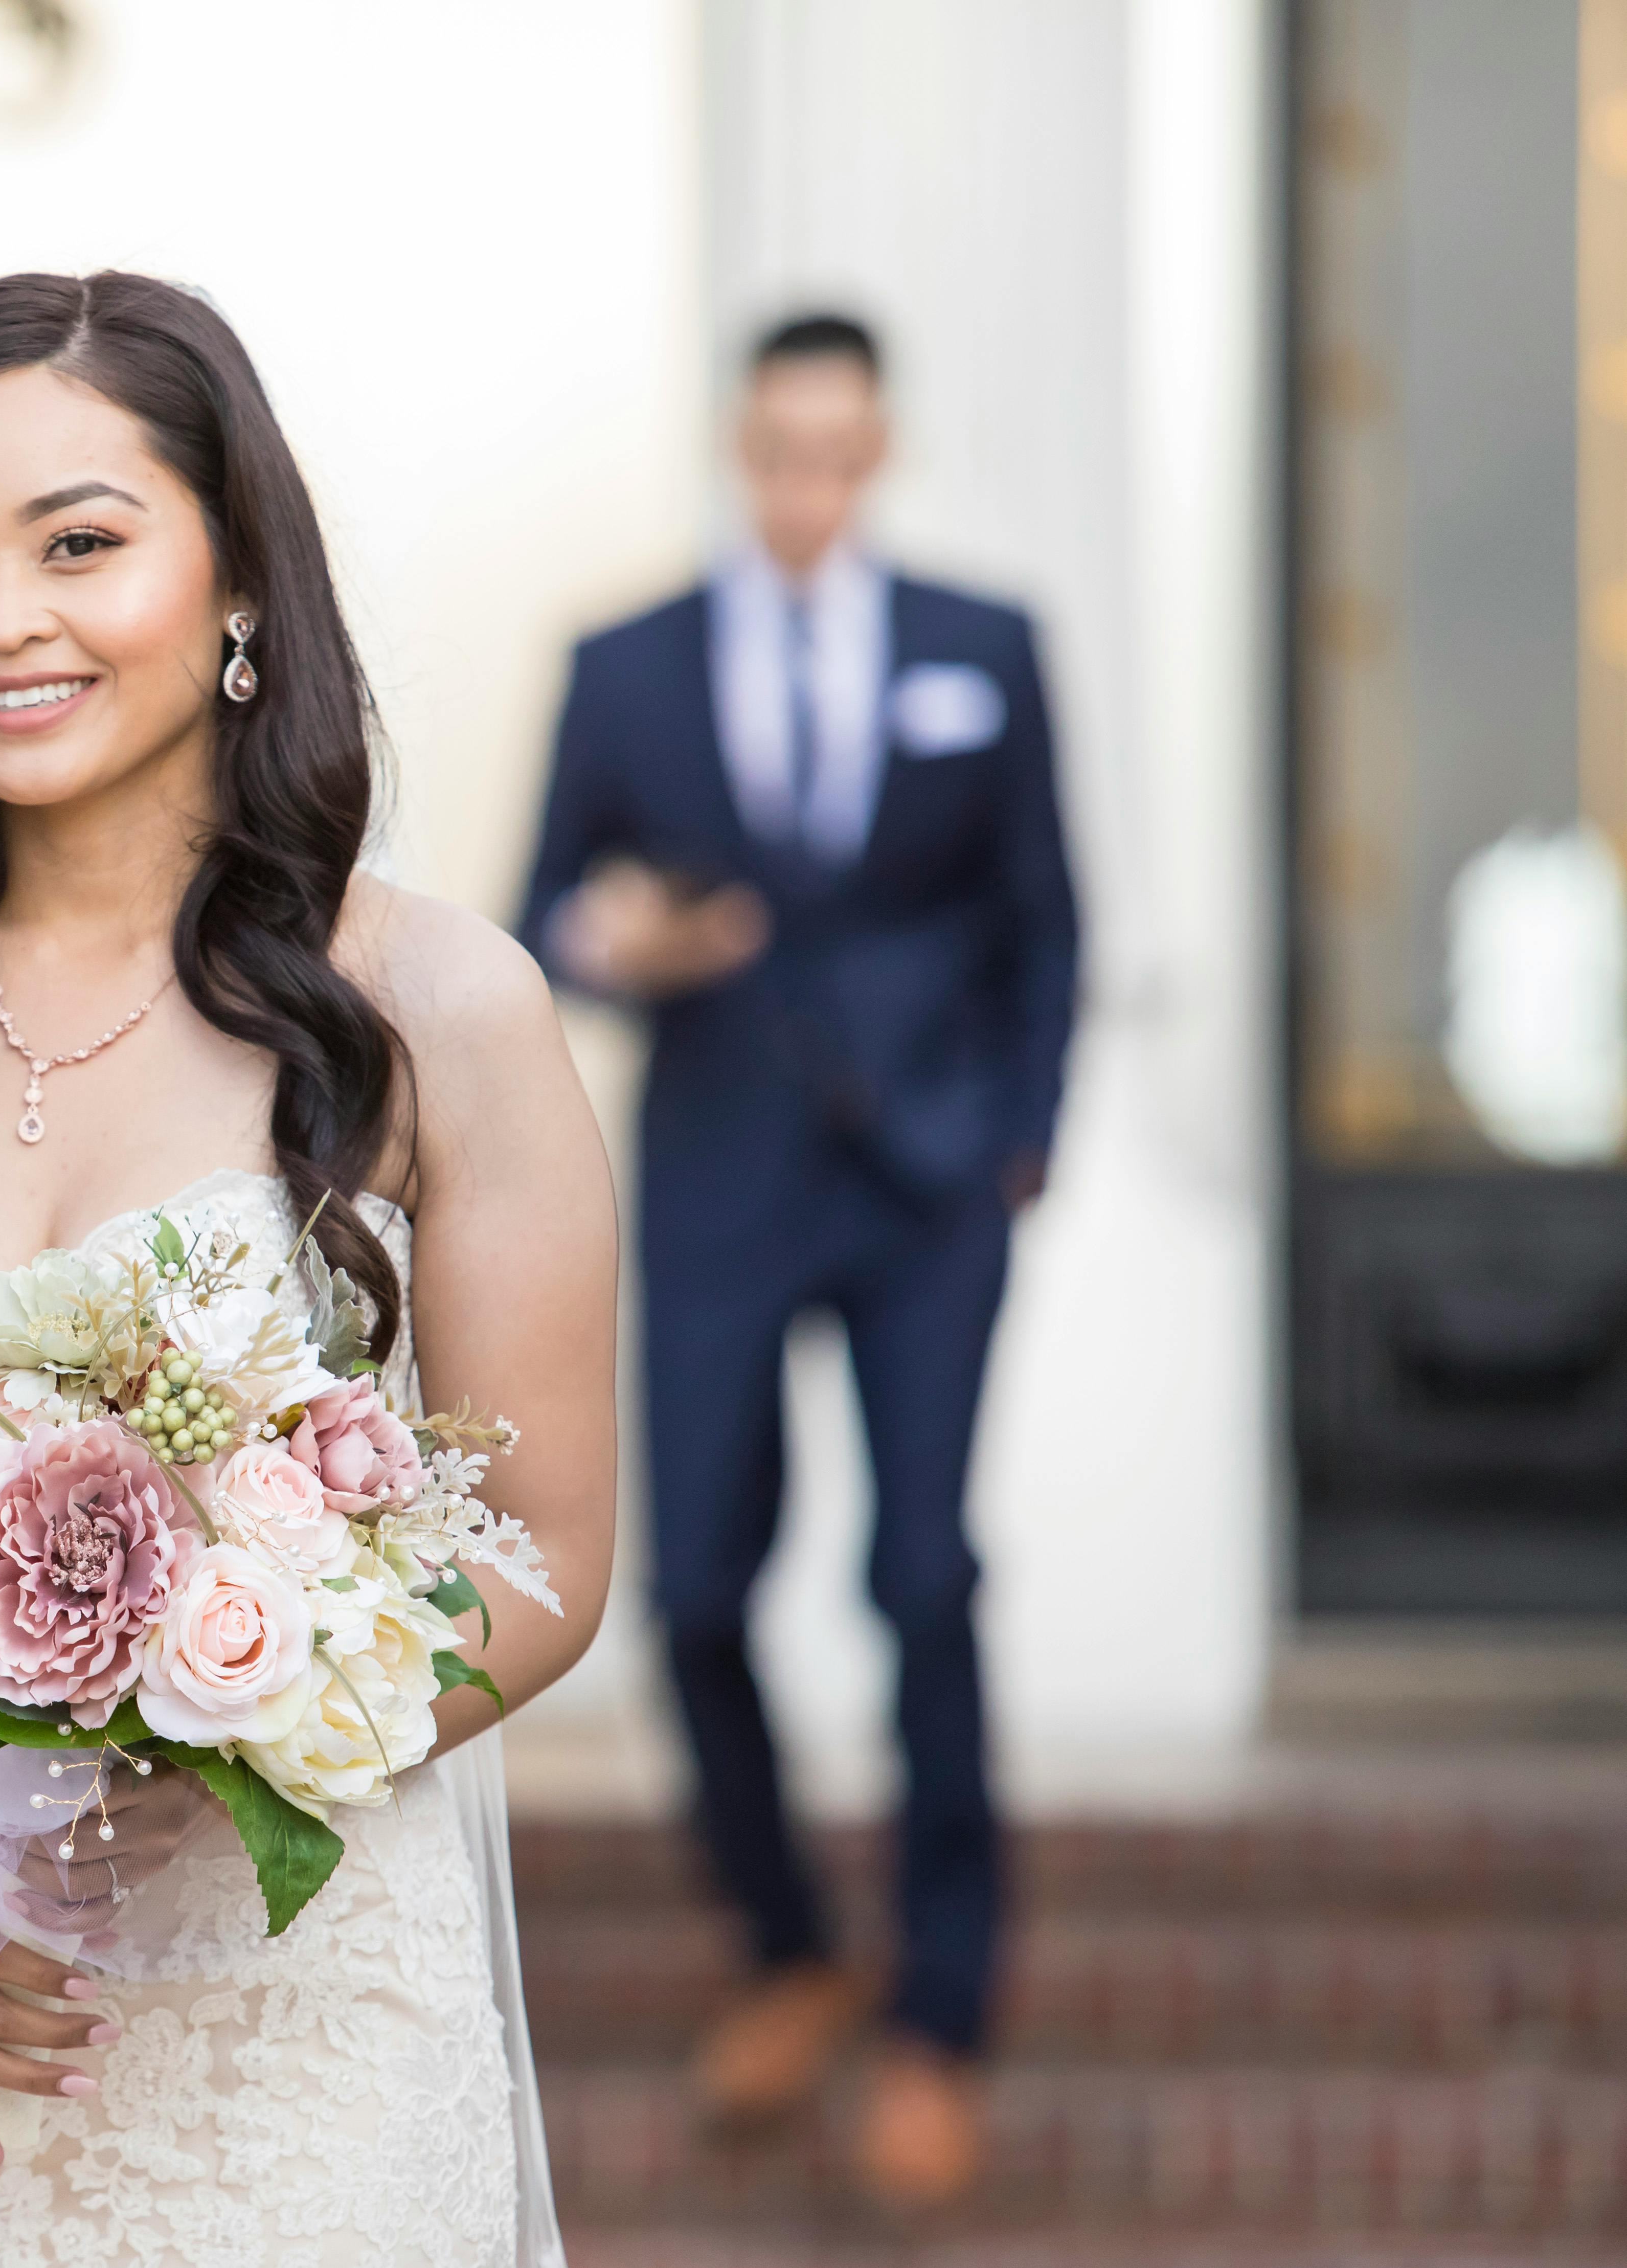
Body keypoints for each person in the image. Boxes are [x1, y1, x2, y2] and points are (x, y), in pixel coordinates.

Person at [0, 271, 617, 2268]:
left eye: (81, 542)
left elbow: (549, 1549)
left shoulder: (439, 1005)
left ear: (235, 576)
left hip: (283, 2039)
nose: (3, 623)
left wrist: (252, 1701)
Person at [521, 313, 1077, 2203]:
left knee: (924, 1577)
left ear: (881, 447)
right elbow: (543, 910)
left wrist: (1023, 1139)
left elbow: (1044, 911)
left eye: (841, 452)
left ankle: (939, 2010)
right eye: (780, 450)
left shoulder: (985, 648)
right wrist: (622, 945)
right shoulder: (628, 665)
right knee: (690, 1598)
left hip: (931, 1188)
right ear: (740, 446)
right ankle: (785, 1944)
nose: (809, 488)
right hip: (724, 1176)